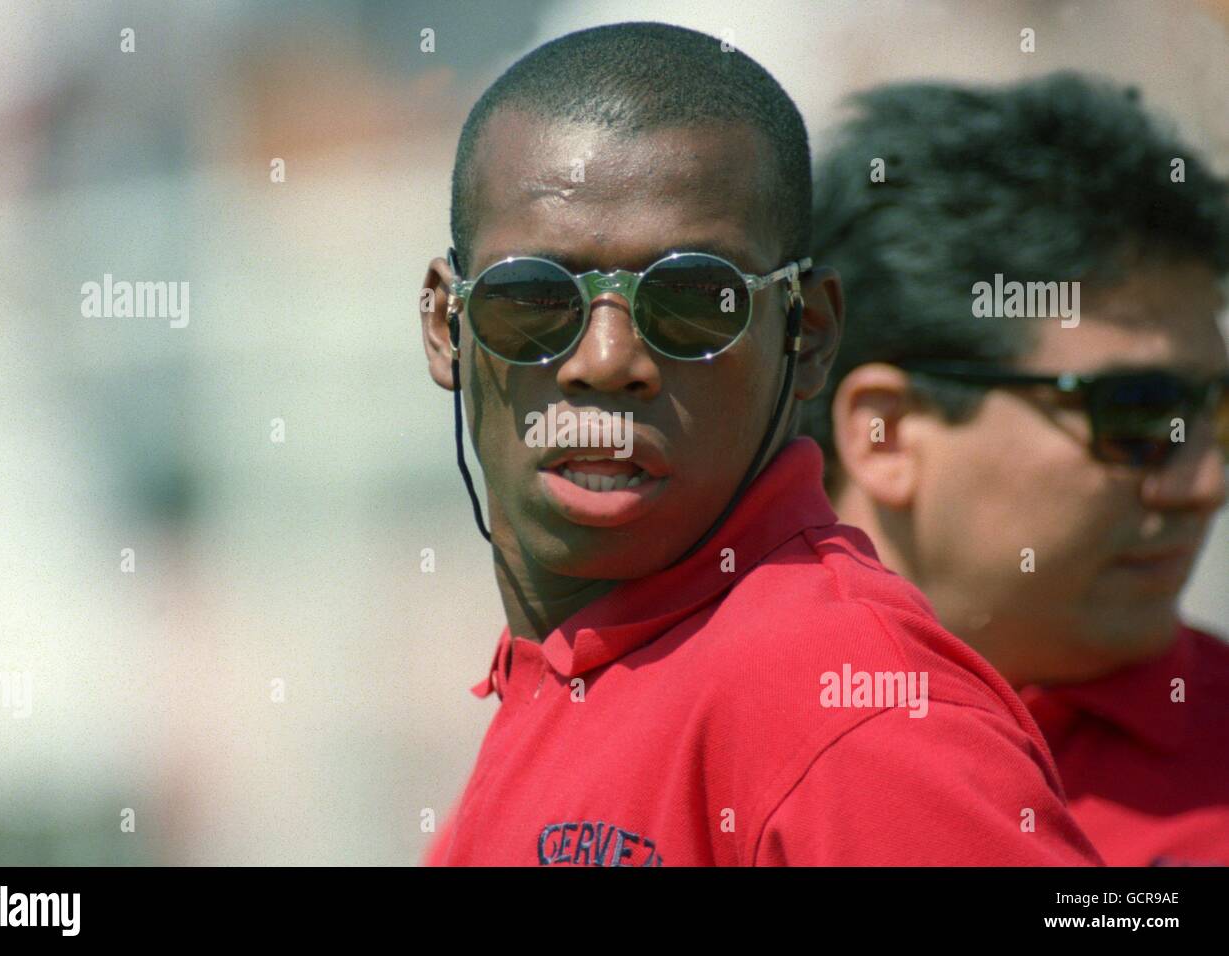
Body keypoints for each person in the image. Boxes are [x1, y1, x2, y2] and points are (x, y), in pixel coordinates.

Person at [417, 22, 1100, 866]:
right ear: (446, 326)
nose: (605, 362)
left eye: (695, 300)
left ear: (807, 333)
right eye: (534, 299)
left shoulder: (847, 712)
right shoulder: (569, 673)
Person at [802, 72, 1229, 865]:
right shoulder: (683, 717)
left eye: (1221, 413)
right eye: (1136, 415)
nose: (1203, 486)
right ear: (886, 434)